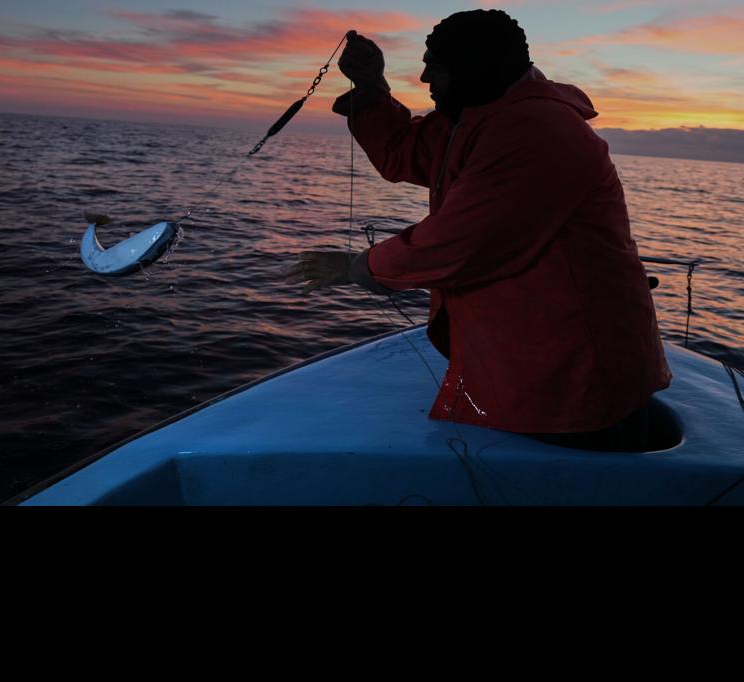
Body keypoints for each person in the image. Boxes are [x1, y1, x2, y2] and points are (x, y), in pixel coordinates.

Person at [283, 11, 671, 449]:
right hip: (526, 363)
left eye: (437, 65)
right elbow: (402, 152)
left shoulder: (537, 132)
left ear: (476, 67)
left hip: (575, 381)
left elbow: (459, 244)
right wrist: (372, 89)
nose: (425, 75)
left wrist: (355, 267)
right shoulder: (473, 117)